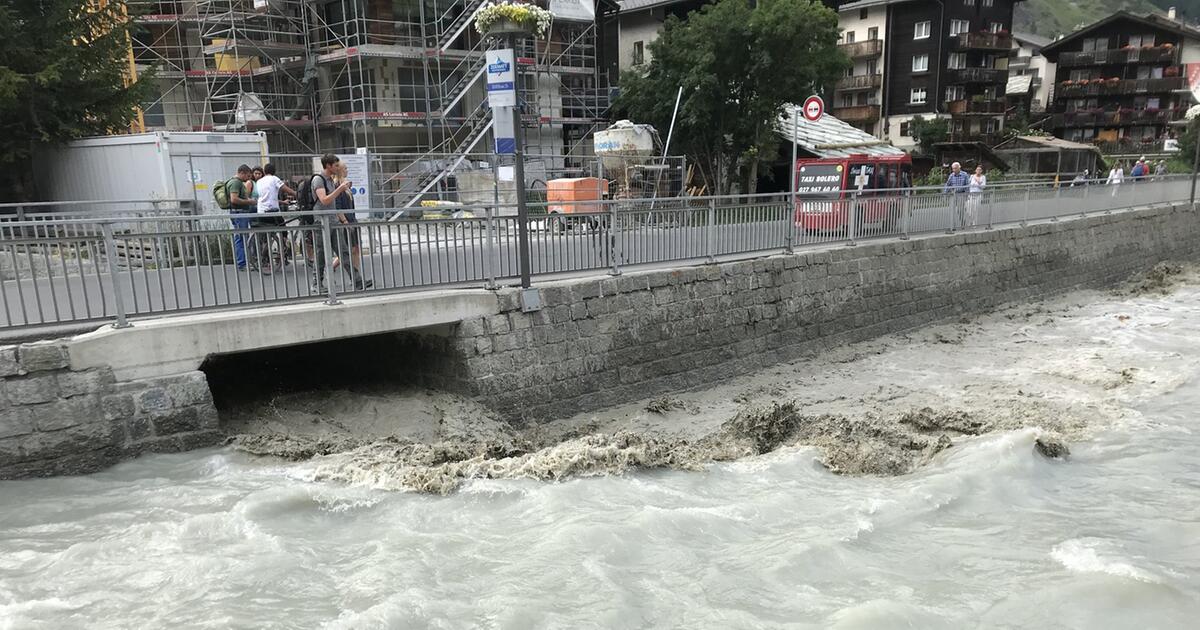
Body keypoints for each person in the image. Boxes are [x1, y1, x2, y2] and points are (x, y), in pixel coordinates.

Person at [309, 154, 353, 292]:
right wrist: (340, 189)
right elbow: (324, 200)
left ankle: (356, 280)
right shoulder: (319, 180)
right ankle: (317, 284)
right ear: (328, 166)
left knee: (344, 251)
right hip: (321, 221)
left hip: (333, 221)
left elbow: (333, 205)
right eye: (336, 165)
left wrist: (343, 220)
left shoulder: (330, 181)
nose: (338, 168)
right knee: (321, 253)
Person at [330, 161, 372, 290]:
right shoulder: (337, 186)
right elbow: (337, 207)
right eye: (345, 168)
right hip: (346, 221)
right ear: (340, 171)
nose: (347, 170)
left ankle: (357, 278)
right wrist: (344, 221)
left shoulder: (346, 186)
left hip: (352, 219)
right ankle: (330, 268)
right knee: (347, 250)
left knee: (355, 249)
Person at [254, 162, 297, 273]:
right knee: (284, 232)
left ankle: (266, 259)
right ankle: (281, 254)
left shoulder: (259, 181)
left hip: (261, 211)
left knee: (265, 235)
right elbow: (285, 189)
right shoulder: (274, 179)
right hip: (273, 212)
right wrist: (297, 194)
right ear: (274, 172)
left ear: (264, 171)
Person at [227, 164, 258, 270]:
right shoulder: (236, 183)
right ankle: (242, 263)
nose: (248, 179)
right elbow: (234, 199)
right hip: (239, 213)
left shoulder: (236, 182)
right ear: (242, 173)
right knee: (241, 238)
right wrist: (249, 202)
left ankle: (243, 262)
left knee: (241, 237)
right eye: (248, 176)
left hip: (239, 213)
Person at [943, 162, 970, 228]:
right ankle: (953, 225)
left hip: (961, 194)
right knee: (952, 210)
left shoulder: (964, 174)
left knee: (960, 210)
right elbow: (948, 184)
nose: (954, 170)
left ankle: (962, 224)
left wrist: (966, 195)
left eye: (955, 168)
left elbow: (967, 185)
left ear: (959, 168)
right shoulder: (952, 175)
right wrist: (945, 193)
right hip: (953, 194)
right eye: (953, 169)